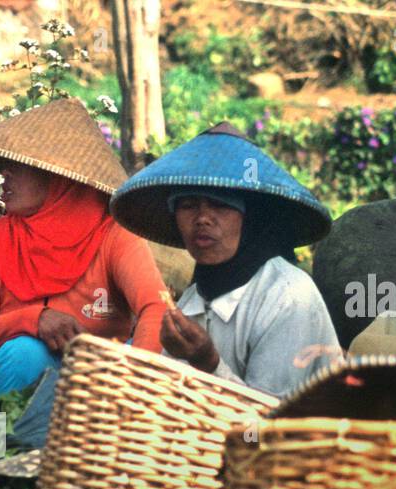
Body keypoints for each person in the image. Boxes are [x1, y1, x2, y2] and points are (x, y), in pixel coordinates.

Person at [0, 97, 167, 397]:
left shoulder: (112, 234)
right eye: (3, 166)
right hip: (4, 388)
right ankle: (4, 444)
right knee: (24, 354)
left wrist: (133, 382)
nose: (3, 176)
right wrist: (32, 319)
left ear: (56, 174)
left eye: (16, 166)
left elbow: (155, 307)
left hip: (95, 391)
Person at [112, 122, 343, 397]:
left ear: (250, 218)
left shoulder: (288, 297)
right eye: (188, 206)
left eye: (221, 205)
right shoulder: (193, 300)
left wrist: (209, 363)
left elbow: (267, 427)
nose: (202, 219)